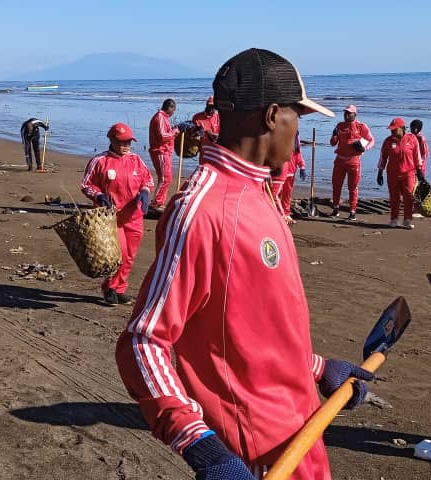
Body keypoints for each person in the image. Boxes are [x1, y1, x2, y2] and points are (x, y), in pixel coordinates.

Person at [116, 48, 375, 480]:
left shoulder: (260, 192)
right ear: (273, 116)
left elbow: (254, 324)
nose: (298, 133)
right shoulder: (203, 210)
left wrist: (317, 368)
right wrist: (201, 444)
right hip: (255, 454)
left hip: (301, 431)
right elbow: (143, 342)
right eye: (298, 118)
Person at [80, 123, 153, 306]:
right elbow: (87, 184)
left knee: (130, 256)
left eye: (128, 142)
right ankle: (110, 287)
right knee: (120, 254)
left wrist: (144, 192)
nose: (126, 145)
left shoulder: (136, 160)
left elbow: (148, 179)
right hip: (111, 218)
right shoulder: (100, 161)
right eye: (122, 142)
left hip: (134, 216)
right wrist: (99, 195)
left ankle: (119, 288)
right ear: (112, 140)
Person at [328, 104, 374, 220]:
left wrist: (365, 148)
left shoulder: (361, 126)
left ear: (355, 114)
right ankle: (335, 209)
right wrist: (334, 135)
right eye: (345, 113)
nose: (347, 115)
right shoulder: (340, 126)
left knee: (352, 187)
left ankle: (352, 212)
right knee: (336, 185)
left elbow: (371, 140)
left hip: (354, 161)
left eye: (349, 113)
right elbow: (333, 143)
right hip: (340, 160)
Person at [376, 117, 421, 229]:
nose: (392, 132)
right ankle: (394, 219)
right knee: (394, 197)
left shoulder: (412, 139)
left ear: (402, 128)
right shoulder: (388, 141)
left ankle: (407, 220)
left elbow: (417, 156)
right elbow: (383, 157)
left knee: (409, 197)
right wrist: (380, 171)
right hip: (393, 174)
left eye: (394, 130)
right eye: (391, 130)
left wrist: (419, 170)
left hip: (409, 174)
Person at [148, 98, 179, 210]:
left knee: (165, 177)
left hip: (164, 151)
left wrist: (173, 129)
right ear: (169, 108)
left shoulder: (163, 118)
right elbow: (162, 137)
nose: (173, 113)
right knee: (165, 178)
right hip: (160, 151)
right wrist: (175, 132)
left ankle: (159, 202)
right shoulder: (160, 117)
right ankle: (156, 203)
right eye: (173, 110)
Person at [271, 132, 306, 223]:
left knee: (286, 194)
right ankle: (279, 213)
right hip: (281, 169)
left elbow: (298, 152)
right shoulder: (280, 136)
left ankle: (286, 213)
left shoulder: (295, 137)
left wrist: (302, 166)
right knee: (277, 193)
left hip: (290, 170)